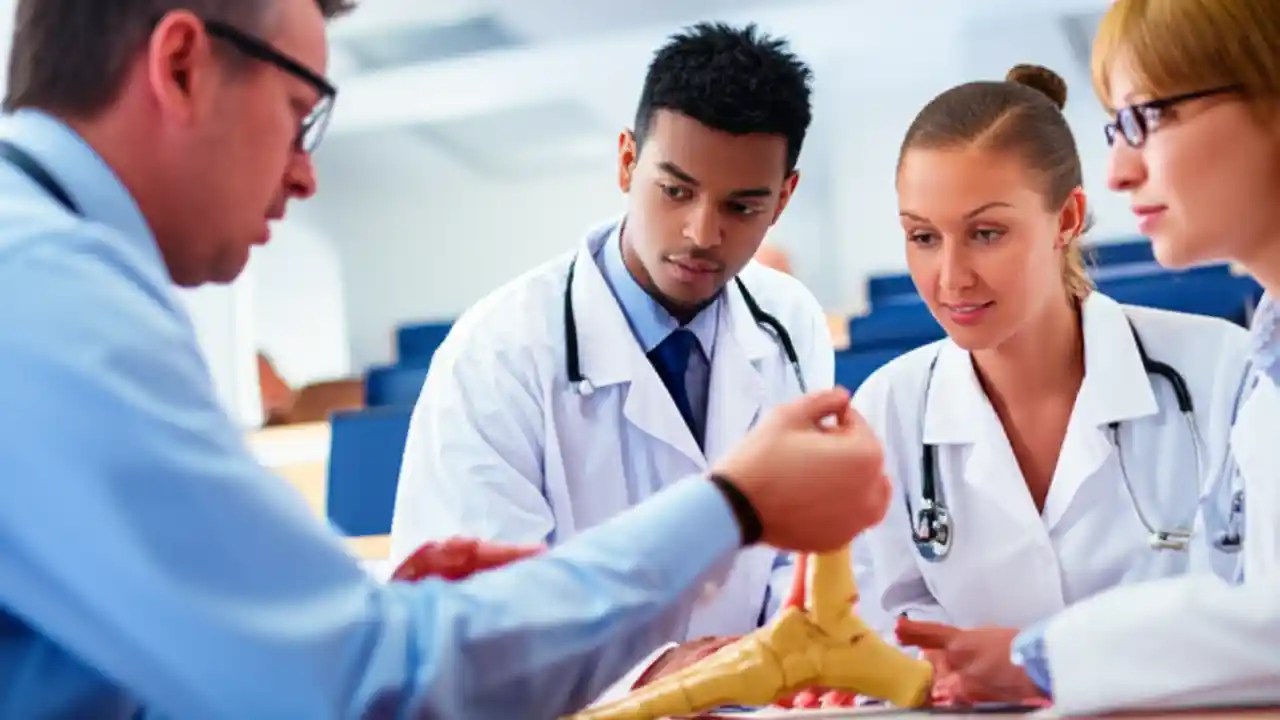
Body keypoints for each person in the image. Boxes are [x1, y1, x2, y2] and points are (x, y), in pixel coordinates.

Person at [0, 1, 895, 717]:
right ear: (183, 64)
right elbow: (367, 682)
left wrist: (407, 620)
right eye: (298, 117)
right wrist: (731, 505)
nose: (307, 176)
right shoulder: (49, 298)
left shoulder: (47, 276)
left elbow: (141, 672)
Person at [389, 22, 833, 646]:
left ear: (783, 198)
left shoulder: (792, 323)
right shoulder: (496, 354)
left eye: (742, 207)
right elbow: (479, 618)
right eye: (676, 191)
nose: (702, 233)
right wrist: (652, 679)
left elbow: (800, 556)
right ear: (627, 162)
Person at [899, 0, 1280, 713]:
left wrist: (1044, 656)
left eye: (1149, 118)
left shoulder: (1231, 371)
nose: (1120, 172)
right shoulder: (1270, 368)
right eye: (922, 236)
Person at [853, 62, 1248, 636]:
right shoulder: (887, 408)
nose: (950, 277)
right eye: (923, 237)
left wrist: (1042, 668)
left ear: (1067, 218)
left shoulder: (1221, 373)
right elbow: (879, 632)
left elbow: (1259, 623)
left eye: (986, 234)